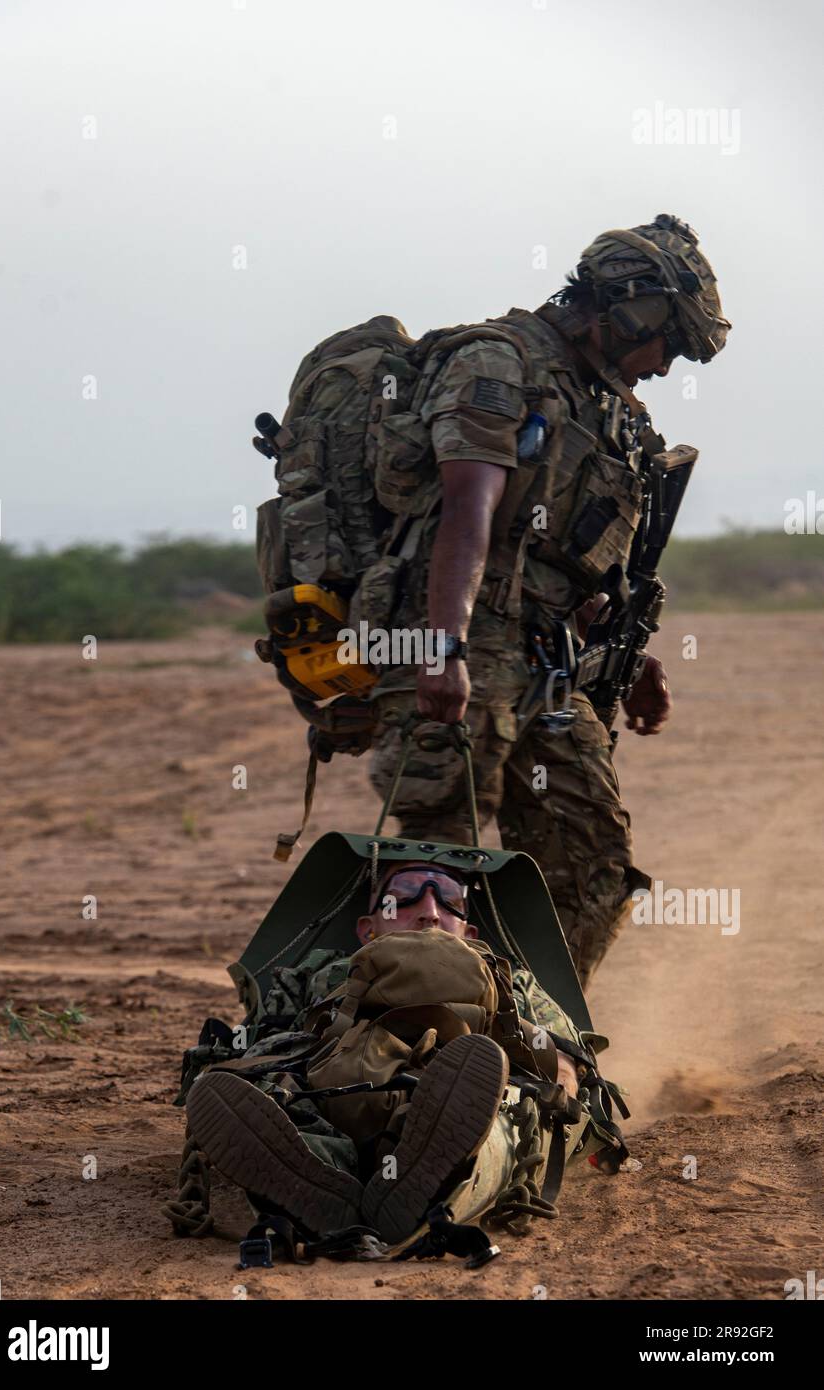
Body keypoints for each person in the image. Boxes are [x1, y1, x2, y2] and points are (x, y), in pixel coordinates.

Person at [367, 214, 731, 989]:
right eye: (667, 342)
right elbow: (468, 513)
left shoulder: (612, 409)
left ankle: (524, 1041)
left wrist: (633, 657)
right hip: (465, 633)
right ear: (631, 309)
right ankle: (388, 1050)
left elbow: (578, 557)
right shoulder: (499, 364)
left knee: (593, 866)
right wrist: (445, 649)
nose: (666, 365)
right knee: (435, 865)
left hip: (552, 659)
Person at [184, 861, 616, 1246]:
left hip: (467, 1084)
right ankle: (330, 1179)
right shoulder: (320, 971)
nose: (429, 910)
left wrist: (552, 1104)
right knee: (276, 1093)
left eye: (449, 900)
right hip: (335, 1086)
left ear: (469, 932)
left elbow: (564, 1064)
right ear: (367, 929)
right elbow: (264, 1048)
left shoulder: (510, 979)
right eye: (403, 895)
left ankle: (430, 1186)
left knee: (505, 1110)